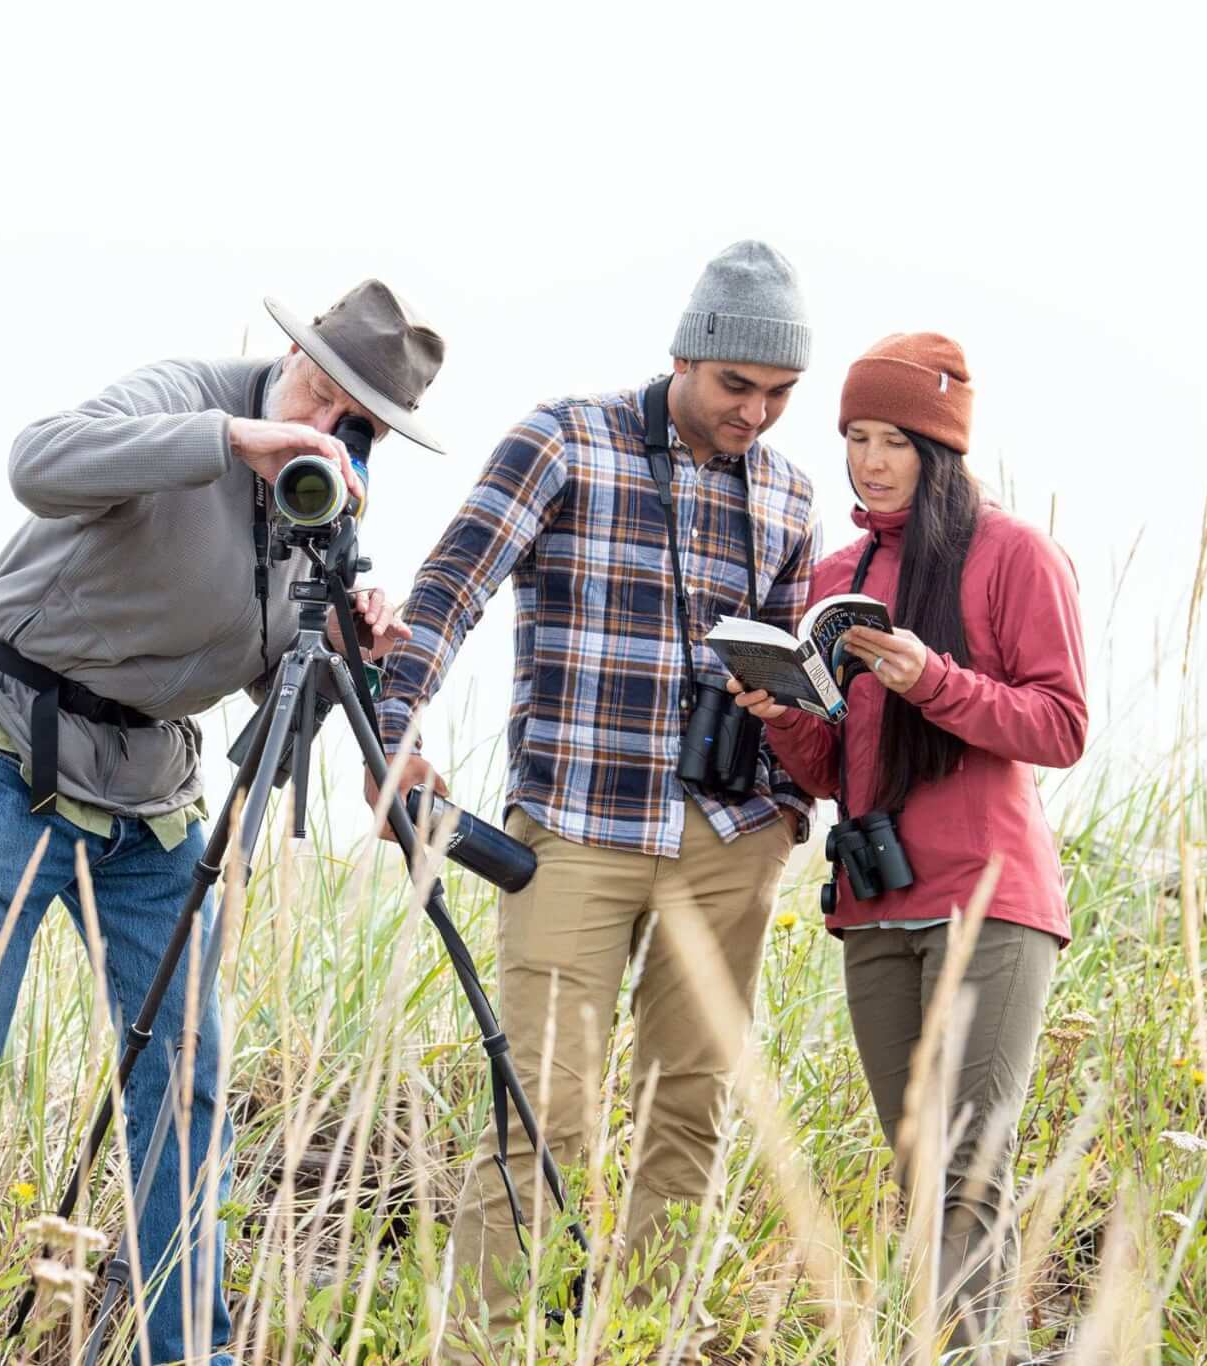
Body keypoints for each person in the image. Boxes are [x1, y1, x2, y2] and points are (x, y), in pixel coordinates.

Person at [0, 280, 443, 1365]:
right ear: (292, 365)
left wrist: (342, 634)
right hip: (3, 745)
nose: (332, 432)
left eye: (362, 425)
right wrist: (227, 440)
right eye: (324, 400)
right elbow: (37, 461)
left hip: (148, 792)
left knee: (185, 1078)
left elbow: (260, 686)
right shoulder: (189, 400)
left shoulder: (315, 510)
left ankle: (189, 1348)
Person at [374, 241, 821, 1359]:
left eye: (777, 395)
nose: (754, 414)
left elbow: (789, 675)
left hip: (727, 841)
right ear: (683, 355)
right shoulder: (563, 437)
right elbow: (449, 589)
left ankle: (641, 1342)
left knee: (689, 1113)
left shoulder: (790, 492)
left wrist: (790, 790)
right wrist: (394, 732)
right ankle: (485, 1346)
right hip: (573, 829)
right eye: (735, 387)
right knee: (543, 1115)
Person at [729, 332, 1086, 1358]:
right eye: (854, 437)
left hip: (989, 898)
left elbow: (1059, 724)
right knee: (917, 1163)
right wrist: (778, 708)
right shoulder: (838, 571)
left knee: (967, 1165)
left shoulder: (1011, 553)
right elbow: (829, 767)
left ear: (940, 451)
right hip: (876, 903)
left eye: (893, 439)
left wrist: (931, 679)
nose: (869, 460)